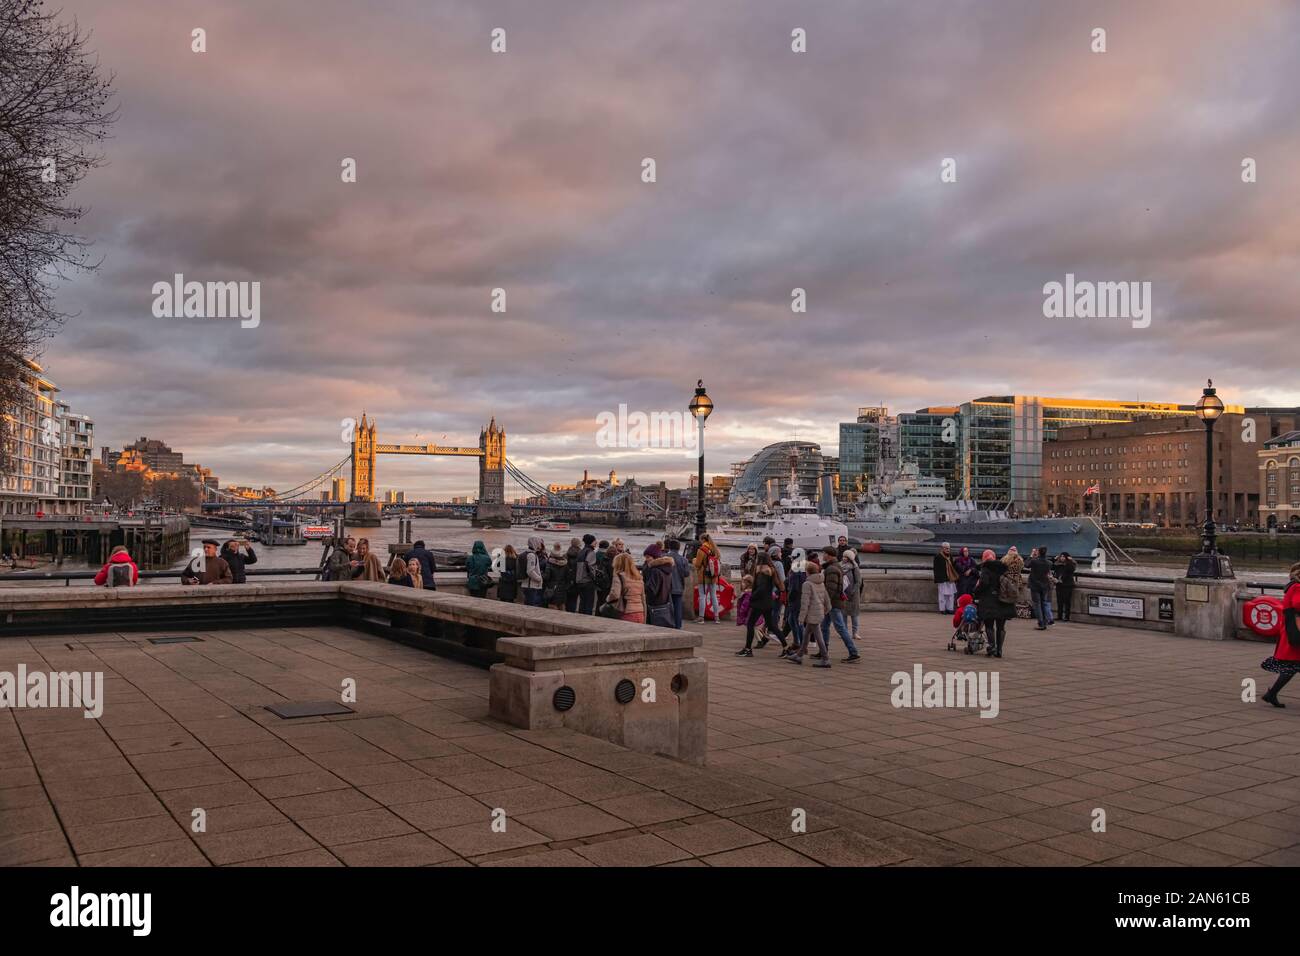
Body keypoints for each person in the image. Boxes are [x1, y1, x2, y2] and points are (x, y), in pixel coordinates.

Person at [1261, 561, 1300, 707]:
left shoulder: (1292, 586)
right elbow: (1298, 604)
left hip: (1292, 629)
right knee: (1291, 666)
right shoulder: (1297, 587)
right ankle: (1271, 694)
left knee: (1291, 667)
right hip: (1295, 630)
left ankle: (1271, 694)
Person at [819, 546, 860, 662]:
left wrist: (824, 603)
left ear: (829, 555)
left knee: (840, 628)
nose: (823, 555)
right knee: (824, 627)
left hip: (833, 604)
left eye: (824, 553)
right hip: (833, 603)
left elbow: (830, 589)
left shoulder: (832, 568)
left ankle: (853, 652)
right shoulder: (835, 566)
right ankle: (823, 651)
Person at [788, 555, 831, 668]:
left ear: (807, 571)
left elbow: (805, 603)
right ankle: (800, 655)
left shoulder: (807, 584)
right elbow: (826, 598)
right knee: (806, 634)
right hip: (819, 612)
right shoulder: (820, 581)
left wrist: (801, 618)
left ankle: (825, 658)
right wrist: (827, 609)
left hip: (812, 614)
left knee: (818, 636)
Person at [739, 553, 784, 656]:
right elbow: (779, 586)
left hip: (760, 603)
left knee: (750, 624)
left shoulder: (762, 572)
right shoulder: (771, 570)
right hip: (768, 602)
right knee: (772, 626)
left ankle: (748, 649)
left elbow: (761, 588)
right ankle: (786, 647)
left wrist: (752, 597)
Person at [974, 548, 1015, 658]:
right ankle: (999, 650)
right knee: (1001, 627)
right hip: (1003, 601)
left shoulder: (986, 569)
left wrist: (976, 592)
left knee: (989, 625)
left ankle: (992, 647)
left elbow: (984, 583)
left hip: (989, 601)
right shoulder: (1003, 568)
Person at [691, 533, 723, 622]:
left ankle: (701, 617)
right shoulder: (715, 549)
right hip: (713, 576)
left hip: (703, 576)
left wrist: (694, 560)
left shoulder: (701, 550)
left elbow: (697, 564)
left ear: (703, 540)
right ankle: (716, 618)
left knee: (702, 596)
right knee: (713, 596)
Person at [606, 551, 645, 623]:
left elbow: (615, 594)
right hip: (640, 612)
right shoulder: (639, 578)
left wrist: (608, 599)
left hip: (626, 612)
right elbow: (643, 599)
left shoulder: (618, 576)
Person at [1027, 546, 1055, 630]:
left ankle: (1041, 623)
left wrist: (1031, 555)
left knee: (1037, 604)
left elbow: (1026, 564)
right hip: (1045, 586)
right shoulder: (1049, 563)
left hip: (1035, 585)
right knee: (1043, 603)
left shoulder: (1034, 561)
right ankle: (1045, 621)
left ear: (1038, 552)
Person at [666, 539, 690, 629]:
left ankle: (667, 623)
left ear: (669, 547)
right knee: (678, 608)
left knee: (666, 607)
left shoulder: (664, 557)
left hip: (667, 587)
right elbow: (686, 573)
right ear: (679, 548)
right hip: (679, 587)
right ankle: (678, 626)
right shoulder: (683, 559)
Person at [572, 534, 599, 614]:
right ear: (591, 542)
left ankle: (580, 619)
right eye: (594, 541)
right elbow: (591, 567)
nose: (596, 542)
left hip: (579, 580)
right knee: (589, 604)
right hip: (587, 581)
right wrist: (594, 578)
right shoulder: (590, 552)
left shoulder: (581, 551)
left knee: (582, 603)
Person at [841, 549, 862, 641]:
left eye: (846, 557)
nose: (844, 558)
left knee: (854, 614)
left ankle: (855, 633)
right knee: (843, 614)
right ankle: (845, 632)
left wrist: (853, 591)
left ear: (850, 558)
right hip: (843, 593)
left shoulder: (855, 567)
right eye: (843, 556)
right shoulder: (839, 566)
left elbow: (858, 582)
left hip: (853, 595)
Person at [933, 543, 959, 614]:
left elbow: (953, 566)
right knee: (942, 595)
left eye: (949, 548)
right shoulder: (938, 556)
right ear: (942, 548)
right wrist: (937, 579)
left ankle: (950, 608)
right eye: (946, 548)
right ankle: (942, 609)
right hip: (942, 578)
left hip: (950, 578)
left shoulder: (950, 556)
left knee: (951, 595)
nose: (948, 550)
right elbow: (936, 569)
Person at [521, 536, 546, 607]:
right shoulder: (532, 555)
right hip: (531, 586)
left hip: (528, 585)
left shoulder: (528, 553)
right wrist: (539, 578)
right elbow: (530, 571)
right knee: (532, 606)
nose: (540, 545)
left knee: (529, 605)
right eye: (539, 543)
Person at [1053, 552, 1077, 621]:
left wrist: (1071, 560)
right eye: (1061, 556)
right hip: (1059, 584)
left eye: (1064, 556)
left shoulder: (1069, 565)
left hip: (1067, 585)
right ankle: (1059, 616)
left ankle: (1067, 616)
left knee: (1067, 601)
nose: (1062, 558)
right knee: (1059, 601)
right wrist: (1054, 559)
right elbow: (1051, 566)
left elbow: (1071, 568)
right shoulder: (1058, 565)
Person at [545, 543, 568, 609]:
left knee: (552, 606)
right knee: (562, 606)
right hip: (562, 588)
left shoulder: (549, 564)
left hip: (552, 588)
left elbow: (547, 576)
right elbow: (568, 577)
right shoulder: (565, 564)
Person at [594, 540, 613, 610]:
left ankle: (597, 612)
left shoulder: (595, 554)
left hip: (598, 579)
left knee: (599, 600)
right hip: (605, 582)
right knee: (604, 600)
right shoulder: (605, 556)